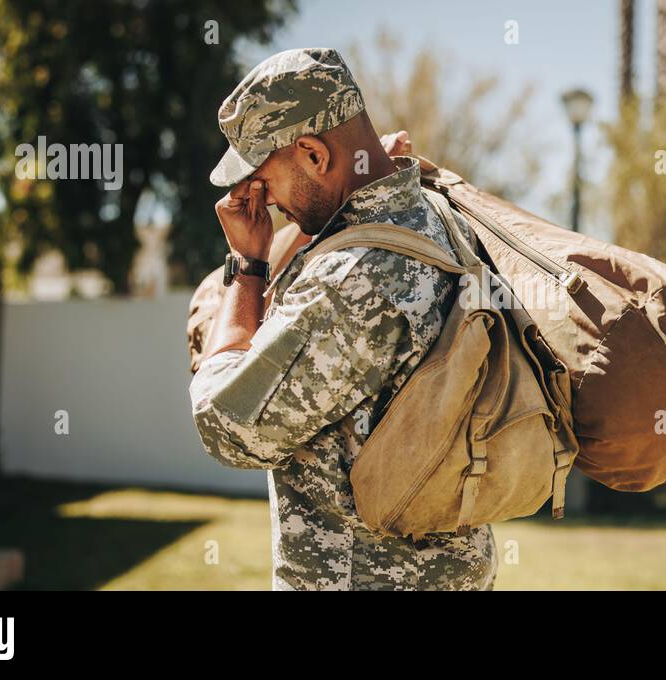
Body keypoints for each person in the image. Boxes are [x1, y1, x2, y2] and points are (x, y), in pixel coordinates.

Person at [189, 47, 496, 590]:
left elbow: (226, 426)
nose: (263, 200)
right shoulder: (440, 216)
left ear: (311, 153)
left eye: (263, 179)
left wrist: (247, 266)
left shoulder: (352, 279)